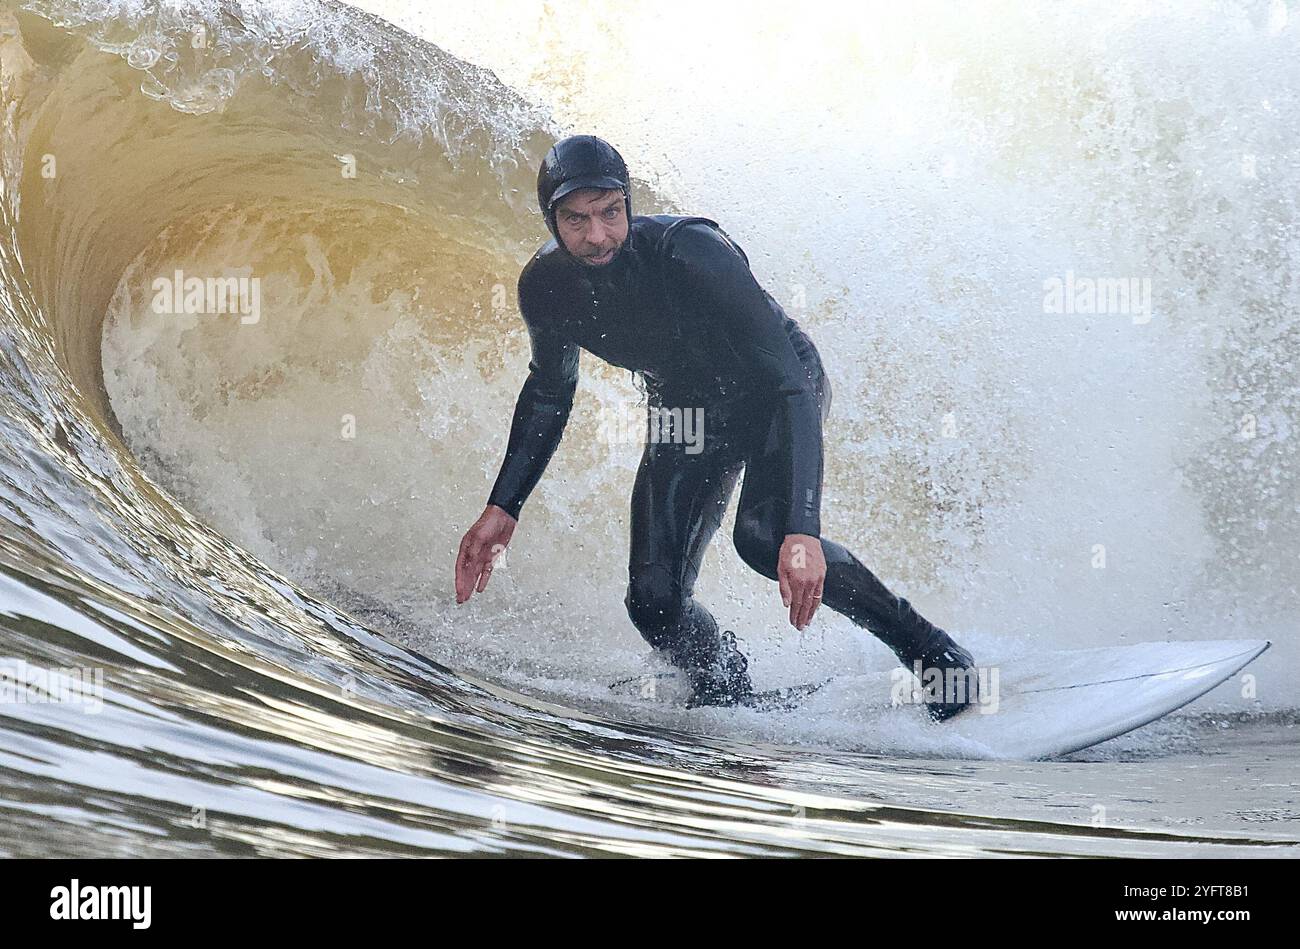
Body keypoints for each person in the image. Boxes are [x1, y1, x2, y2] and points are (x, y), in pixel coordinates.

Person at [454, 134, 978, 719]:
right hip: (687, 414)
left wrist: (802, 529)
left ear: (628, 204)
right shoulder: (546, 287)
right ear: (551, 220)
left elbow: (788, 383)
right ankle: (722, 685)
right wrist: (505, 506)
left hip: (775, 392)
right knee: (653, 602)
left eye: (610, 213)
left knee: (763, 539)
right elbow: (552, 392)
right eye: (576, 220)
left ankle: (938, 656)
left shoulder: (691, 251)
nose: (597, 235)